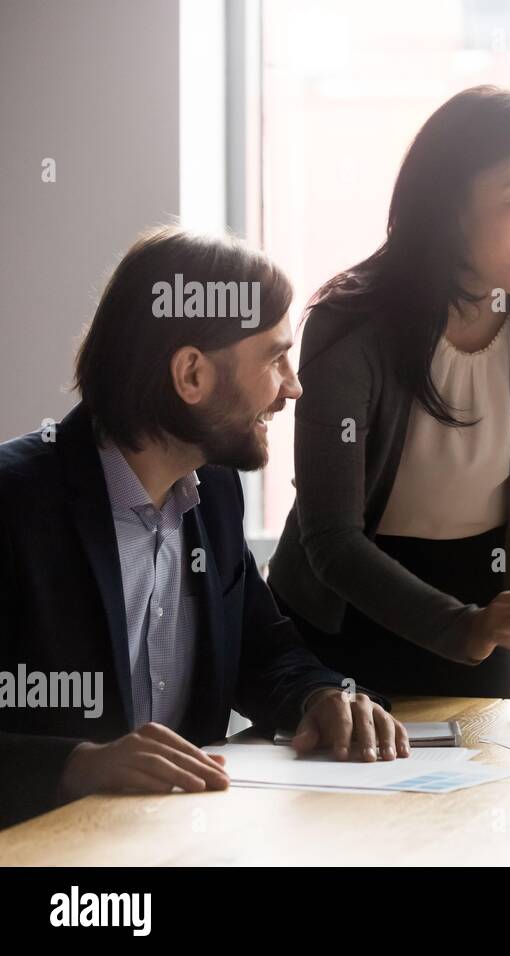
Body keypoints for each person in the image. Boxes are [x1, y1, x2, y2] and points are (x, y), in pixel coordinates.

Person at [0, 227, 408, 830]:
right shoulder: (15, 503)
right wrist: (78, 765)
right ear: (191, 375)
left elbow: (264, 655)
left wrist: (322, 698)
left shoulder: (213, 491)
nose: (293, 387)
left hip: (179, 843)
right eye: (274, 358)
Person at [267, 87, 510, 706]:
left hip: (483, 598)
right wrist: (462, 626)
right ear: (448, 205)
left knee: (479, 792)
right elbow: (330, 537)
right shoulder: (348, 324)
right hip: (339, 609)